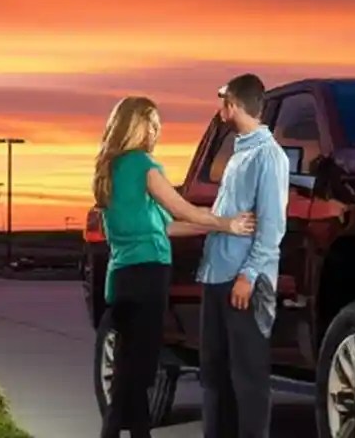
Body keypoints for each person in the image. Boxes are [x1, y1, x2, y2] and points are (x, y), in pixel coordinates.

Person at [93, 96, 254, 438]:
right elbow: (182, 209)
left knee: (128, 368)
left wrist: (212, 226)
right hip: (148, 275)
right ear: (139, 126)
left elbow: (167, 226)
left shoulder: (108, 171)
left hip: (120, 279)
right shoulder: (143, 165)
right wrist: (227, 224)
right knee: (140, 371)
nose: (157, 131)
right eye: (153, 124)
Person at [196, 74, 290, 438]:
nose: (221, 110)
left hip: (243, 283)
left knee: (248, 377)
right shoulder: (240, 153)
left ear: (233, 106)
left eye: (224, 103)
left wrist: (249, 275)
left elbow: (272, 225)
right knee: (214, 373)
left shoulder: (269, 156)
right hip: (217, 275)